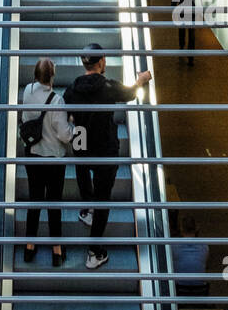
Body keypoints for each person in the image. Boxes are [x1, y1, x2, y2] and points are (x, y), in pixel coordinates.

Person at [64, 44, 152, 270]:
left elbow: (68, 112)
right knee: (103, 199)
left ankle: (87, 209)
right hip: (105, 148)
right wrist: (141, 80)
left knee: (82, 171)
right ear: (101, 61)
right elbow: (131, 94)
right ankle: (94, 252)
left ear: (83, 63)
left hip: (82, 143)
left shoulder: (72, 89)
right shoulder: (108, 87)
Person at [20, 58, 75, 267]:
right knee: (53, 202)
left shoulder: (27, 91)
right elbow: (65, 136)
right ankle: (56, 250)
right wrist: (70, 125)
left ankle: (29, 247)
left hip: (33, 154)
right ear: (52, 77)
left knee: (35, 199)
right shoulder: (57, 101)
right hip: (53, 159)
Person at [172, 213, 211, 299]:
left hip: (179, 289)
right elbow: (205, 263)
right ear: (196, 229)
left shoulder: (173, 245)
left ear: (181, 229)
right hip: (200, 290)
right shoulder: (204, 246)